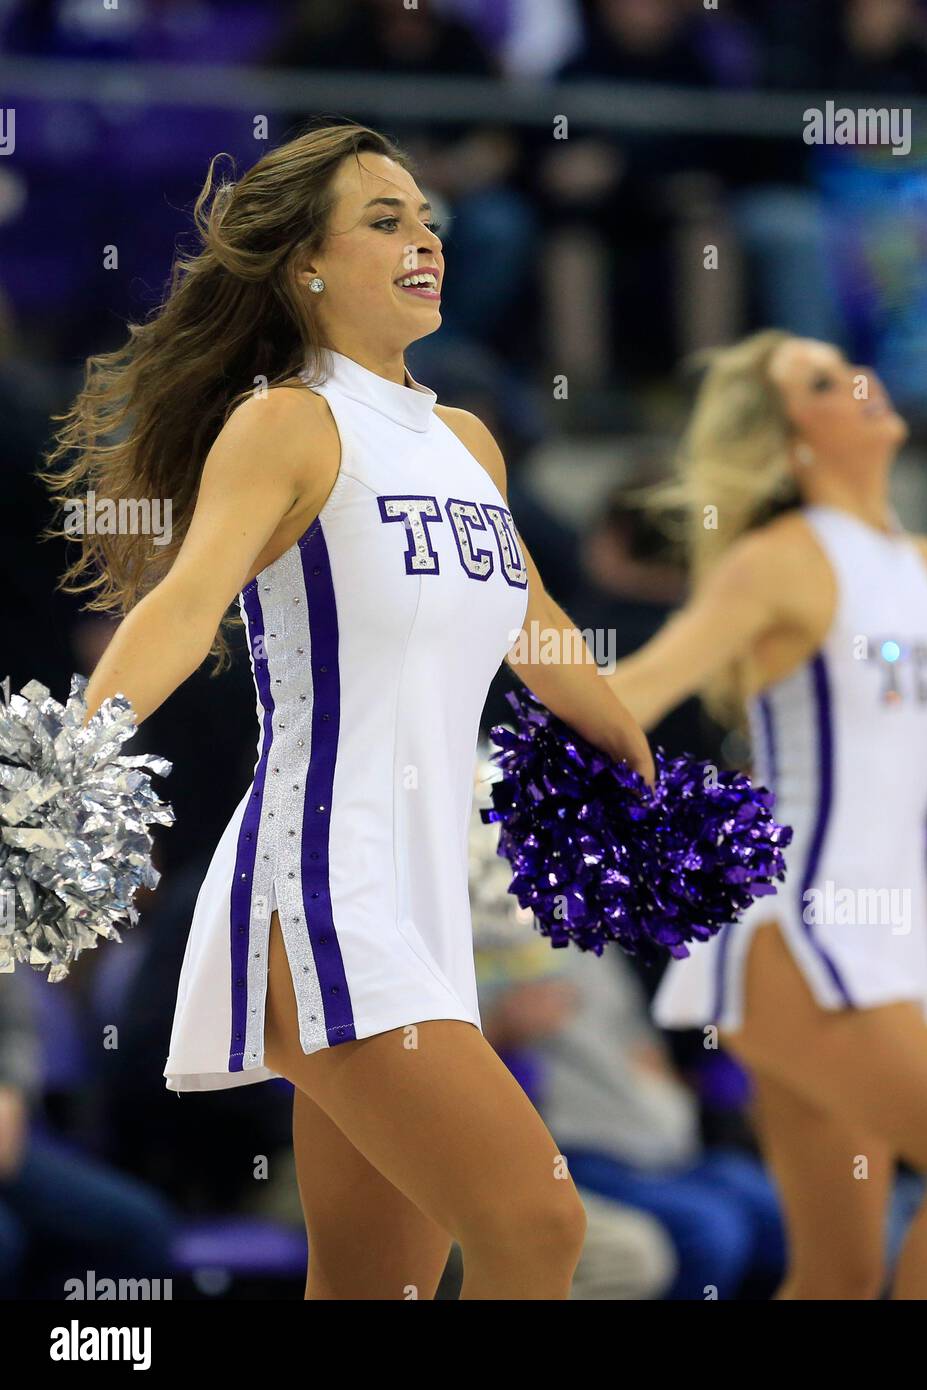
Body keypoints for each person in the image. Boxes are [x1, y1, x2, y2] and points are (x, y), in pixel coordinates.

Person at [38, 121, 653, 1301]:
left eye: (426, 217)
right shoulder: (289, 423)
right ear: (305, 265)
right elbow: (182, 607)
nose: (422, 238)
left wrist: (632, 751)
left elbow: (535, 627)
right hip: (323, 884)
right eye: (383, 220)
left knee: (381, 1287)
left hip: (423, 908)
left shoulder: (468, 441)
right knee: (539, 1225)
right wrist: (69, 764)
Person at [608, 329, 927, 1299]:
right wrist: (509, 689)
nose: (862, 383)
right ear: (790, 434)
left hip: (889, 938)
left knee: (836, 1275)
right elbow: (643, 684)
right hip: (796, 929)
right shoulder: (778, 561)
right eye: (823, 382)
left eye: (850, 368)